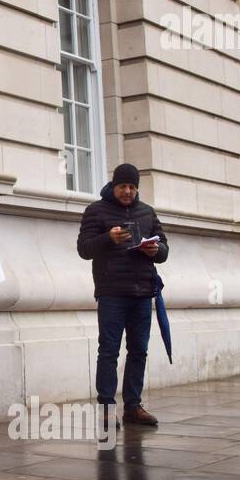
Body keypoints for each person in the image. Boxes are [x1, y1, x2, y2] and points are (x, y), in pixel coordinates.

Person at [76, 163, 168, 430]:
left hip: (142, 292)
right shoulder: (96, 211)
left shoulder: (147, 212)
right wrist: (109, 238)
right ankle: (106, 408)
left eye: (132, 187)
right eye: (122, 186)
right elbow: (84, 249)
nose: (128, 191)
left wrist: (156, 250)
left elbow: (164, 248)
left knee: (139, 350)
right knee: (109, 351)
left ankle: (133, 406)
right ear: (113, 186)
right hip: (111, 292)